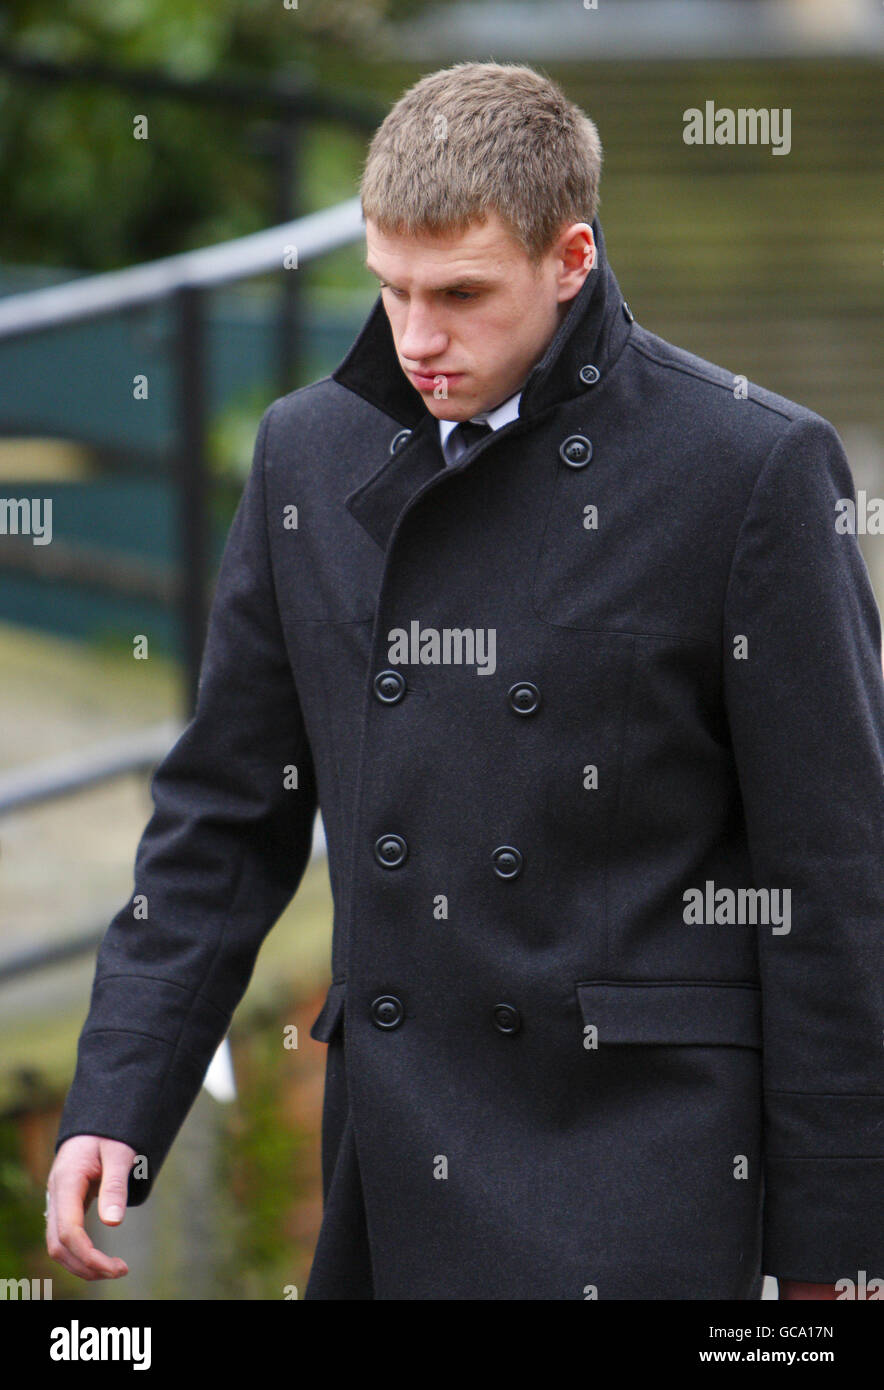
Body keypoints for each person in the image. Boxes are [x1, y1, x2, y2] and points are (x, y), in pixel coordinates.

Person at [47, 61, 883, 1300]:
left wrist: (836, 1254)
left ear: (571, 257)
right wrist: (116, 1094)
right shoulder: (304, 455)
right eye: (389, 291)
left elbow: (831, 877)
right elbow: (224, 816)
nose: (419, 340)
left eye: (460, 293)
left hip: (644, 1169)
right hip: (398, 1153)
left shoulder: (749, 469)